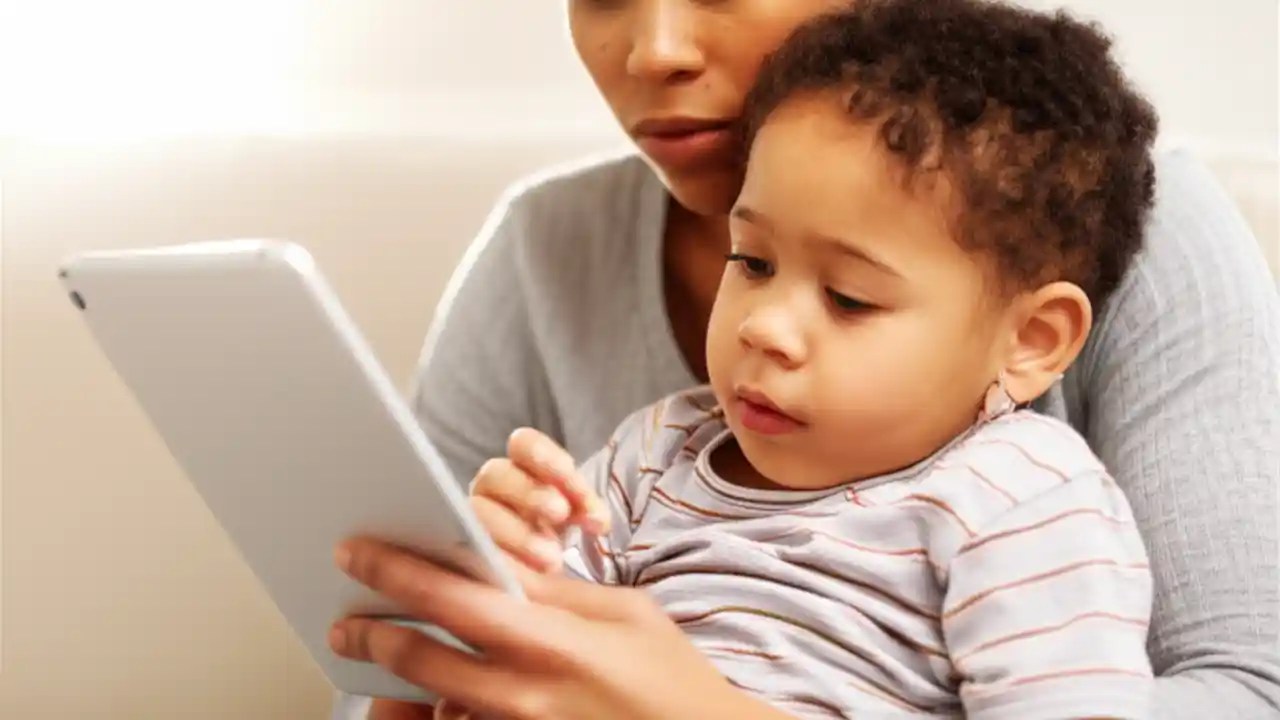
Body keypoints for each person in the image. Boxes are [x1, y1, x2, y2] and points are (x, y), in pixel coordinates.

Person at [328, 0, 1280, 717]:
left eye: (851, 298)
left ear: (1032, 340)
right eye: (750, 261)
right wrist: (492, 580)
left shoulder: (1016, 501)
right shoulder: (656, 449)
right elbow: (470, 659)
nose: (655, 49)